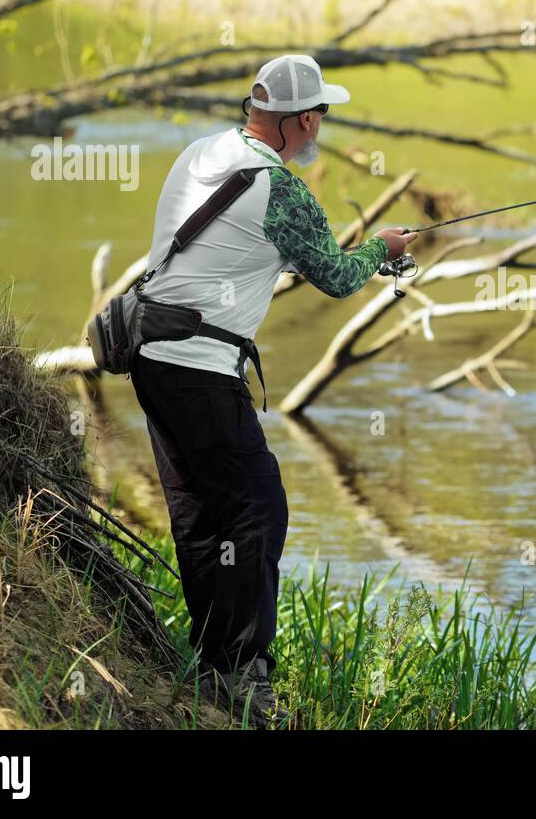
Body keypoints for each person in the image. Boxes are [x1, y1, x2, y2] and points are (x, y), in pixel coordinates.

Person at [129, 54, 417, 727]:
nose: (320, 127)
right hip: (200, 368)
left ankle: (211, 661)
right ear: (296, 121)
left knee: (200, 514)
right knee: (259, 507)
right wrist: (386, 248)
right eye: (317, 116)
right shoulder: (281, 191)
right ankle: (243, 678)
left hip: (151, 356)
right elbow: (341, 277)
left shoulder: (205, 152)